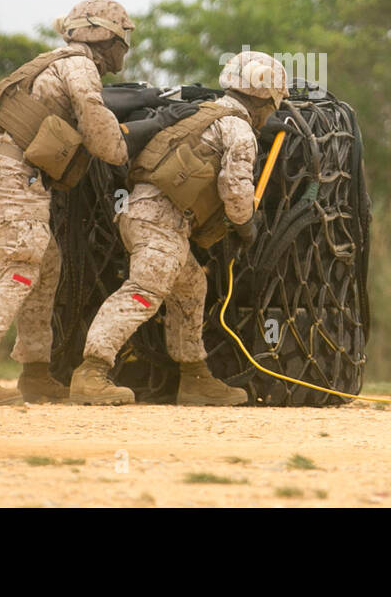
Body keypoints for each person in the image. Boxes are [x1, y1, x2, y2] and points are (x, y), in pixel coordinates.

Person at [68, 50, 287, 406]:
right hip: (161, 220)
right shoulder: (240, 131)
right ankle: (91, 371)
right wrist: (247, 224)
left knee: (190, 285)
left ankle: (194, 376)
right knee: (144, 291)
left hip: (140, 213)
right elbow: (235, 191)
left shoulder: (202, 113)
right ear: (265, 100)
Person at [0, 0, 132, 406]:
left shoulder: (52, 60)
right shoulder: (80, 66)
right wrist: (125, 149)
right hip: (14, 172)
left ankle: (35, 372)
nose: (125, 50)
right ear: (104, 38)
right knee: (17, 264)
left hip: (6, 169)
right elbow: (94, 120)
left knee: (44, 265)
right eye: (123, 40)